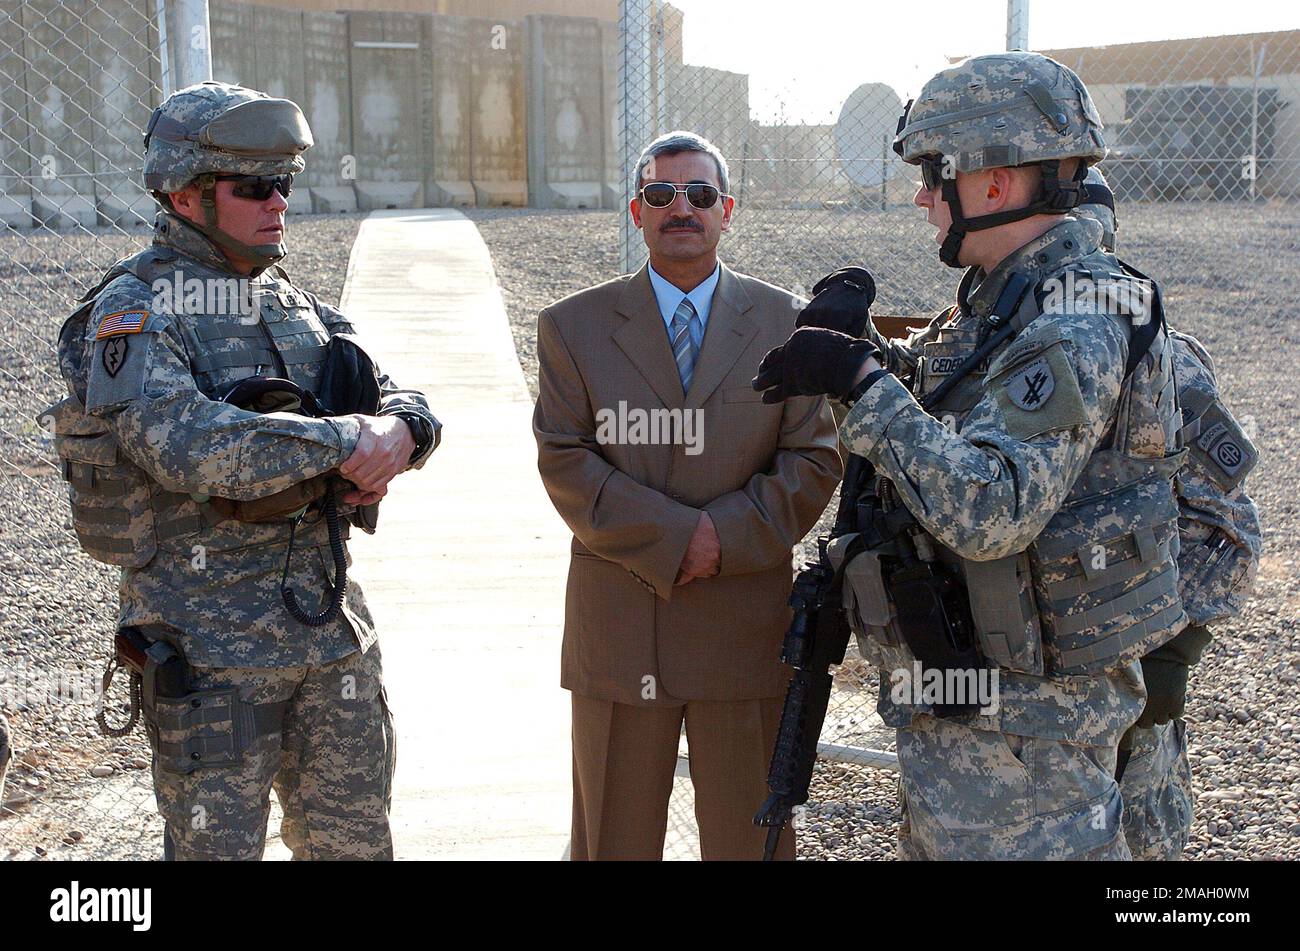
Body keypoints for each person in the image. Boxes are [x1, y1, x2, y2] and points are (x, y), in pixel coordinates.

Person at [754, 52, 1186, 860]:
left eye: (932, 173)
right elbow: (956, 416)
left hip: (1029, 749)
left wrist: (857, 381)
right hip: (975, 717)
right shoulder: (1006, 294)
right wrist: (871, 352)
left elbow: (991, 509)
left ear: (992, 181)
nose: (921, 196)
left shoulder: (1081, 308)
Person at [46, 81, 439, 860]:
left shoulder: (287, 297)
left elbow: (391, 390)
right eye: (254, 186)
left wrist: (403, 429)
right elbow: (182, 441)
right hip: (211, 656)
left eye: (284, 183)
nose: (278, 202)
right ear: (186, 194)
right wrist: (343, 441)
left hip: (331, 641)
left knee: (356, 846)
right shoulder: (134, 309)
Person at [533, 130, 841, 860]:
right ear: (637, 211)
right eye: (662, 194)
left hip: (742, 627)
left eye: (700, 195)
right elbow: (564, 458)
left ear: (726, 210)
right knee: (612, 838)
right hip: (621, 627)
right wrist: (679, 539)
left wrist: (723, 538)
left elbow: (813, 455)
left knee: (749, 842)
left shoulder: (788, 324)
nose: (682, 208)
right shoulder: (572, 327)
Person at [1077, 169, 1262, 860]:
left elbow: (1232, 536)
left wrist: (1158, 658)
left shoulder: (1164, 363)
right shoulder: (986, 357)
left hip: (1130, 711)